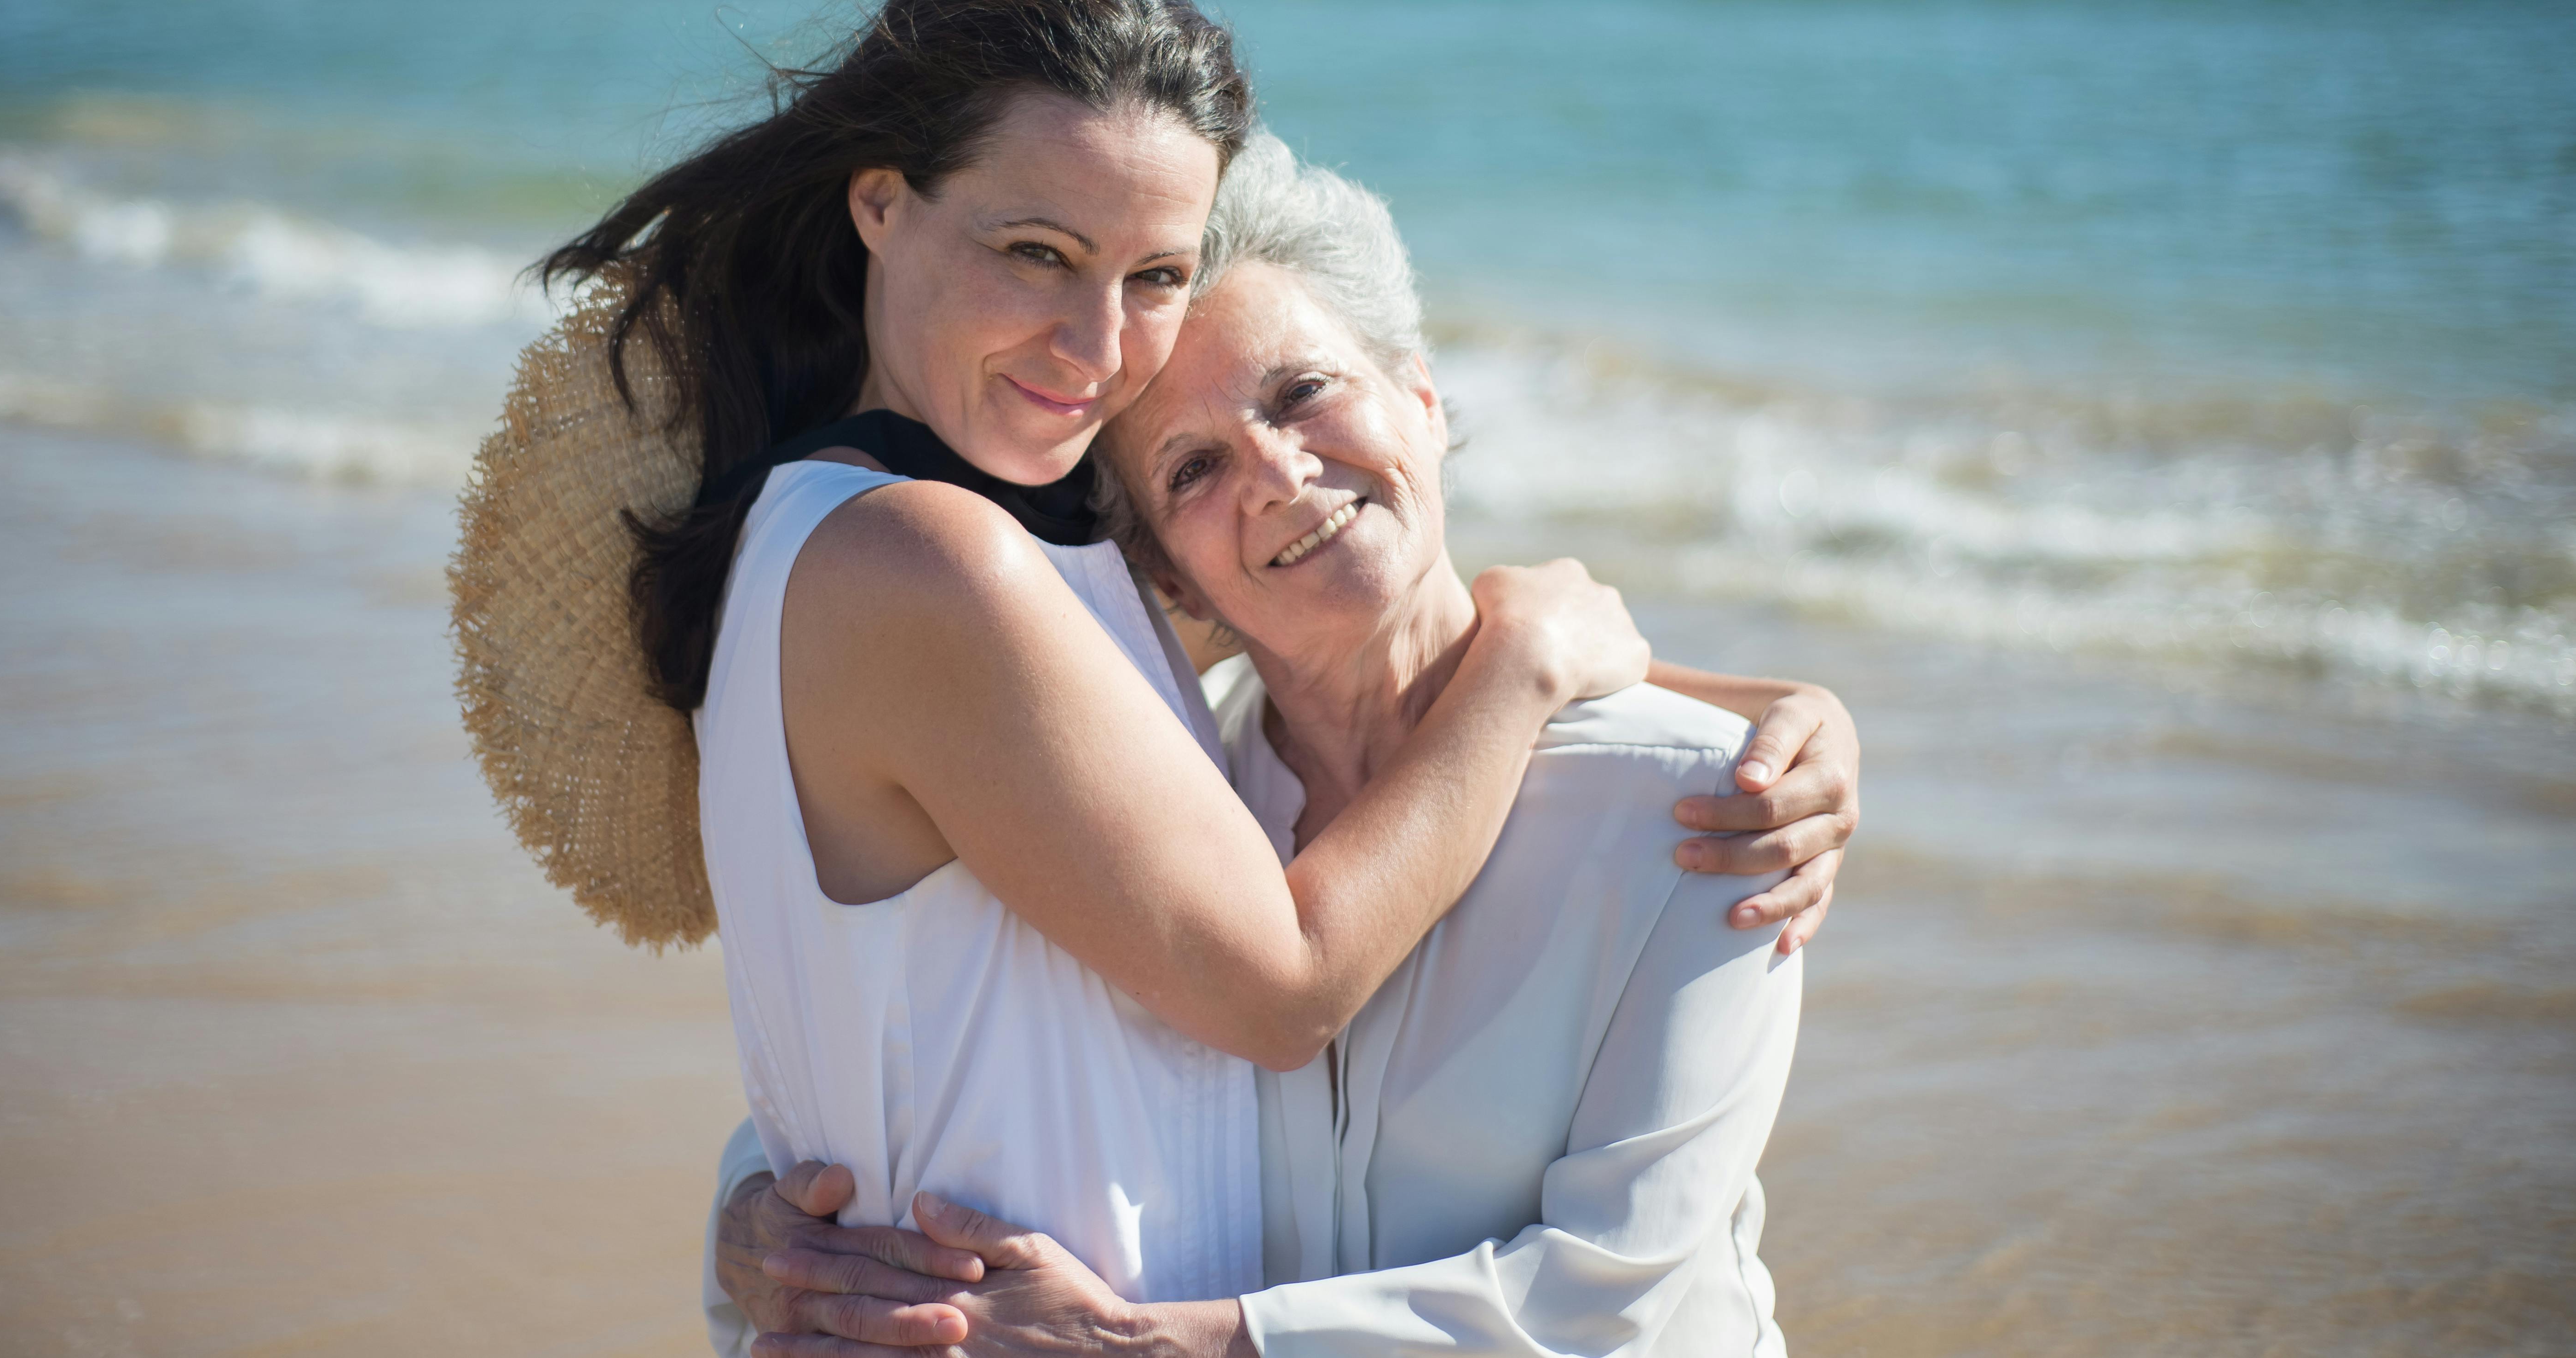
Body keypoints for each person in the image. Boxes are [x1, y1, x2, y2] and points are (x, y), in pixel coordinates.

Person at [709, 138, 1842, 1357]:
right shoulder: (1176, 797)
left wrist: (1169, 1344)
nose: (1278, 473)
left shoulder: (1703, 809)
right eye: (1194, 467)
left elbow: (1607, 1296)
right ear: (1160, 571)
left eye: (1303, 392)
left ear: (1420, 395)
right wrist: (761, 1222)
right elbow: (930, 1024)